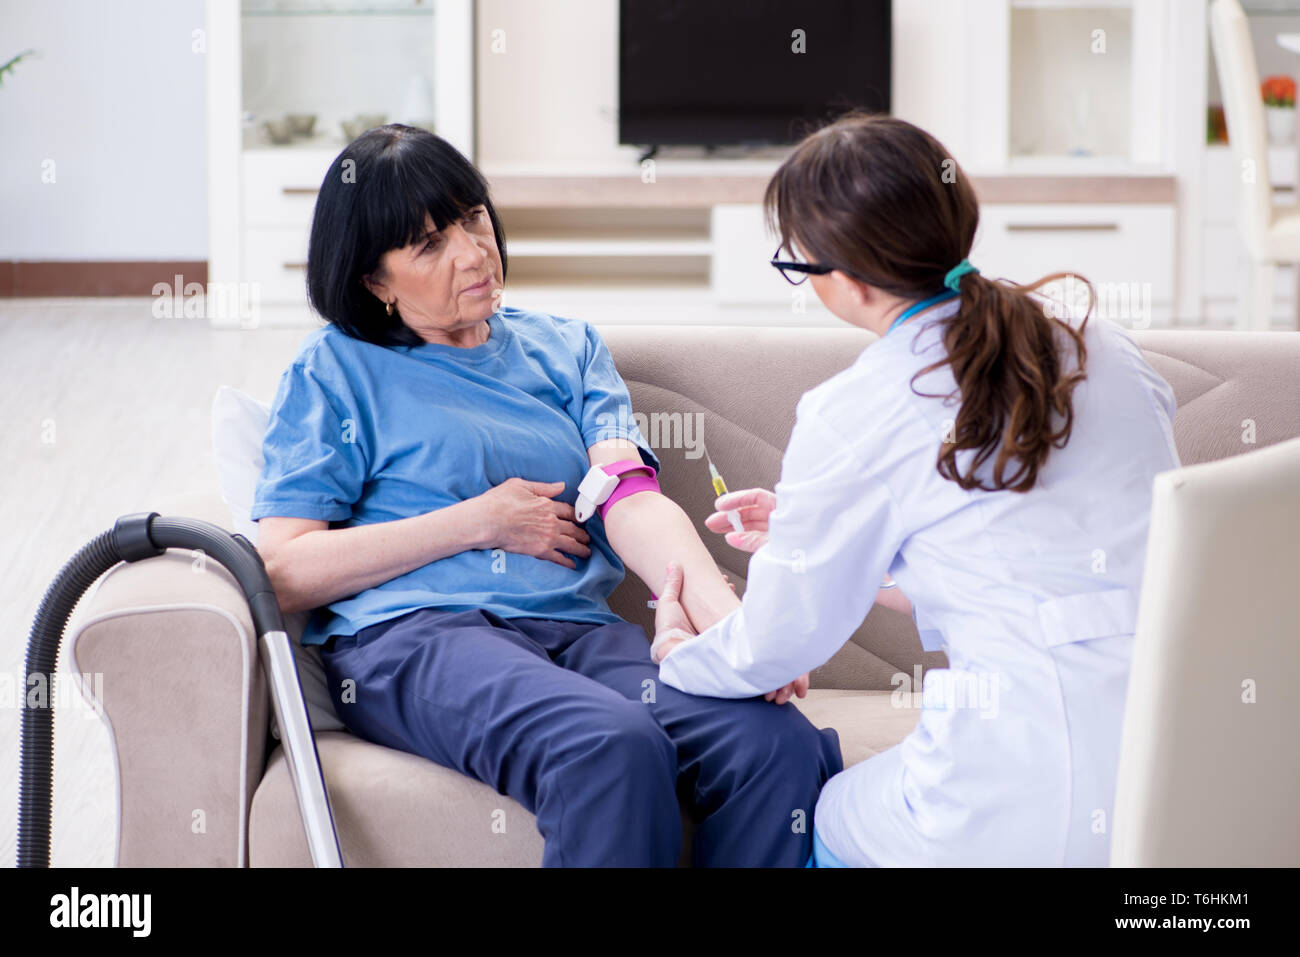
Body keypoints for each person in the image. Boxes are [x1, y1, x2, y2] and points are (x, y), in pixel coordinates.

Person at [249, 124, 842, 867]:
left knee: (772, 745)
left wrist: (737, 630)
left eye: (471, 218)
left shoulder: (566, 347)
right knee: (608, 745)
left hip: (576, 636)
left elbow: (625, 494)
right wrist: (475, 523)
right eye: (428, 244)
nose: (472, 250)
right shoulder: (335, 371)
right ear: (376, 281)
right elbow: (282, 566)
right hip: (416, 639)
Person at [650, 112, 1181, 867]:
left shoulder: (856, 408)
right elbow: (1027, 565)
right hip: (1186, 757)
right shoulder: (1104, 345)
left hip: (1033, 793)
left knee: (827, 818)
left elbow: (775, 647)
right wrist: (832, 548)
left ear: (844, 279)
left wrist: (676, 652)